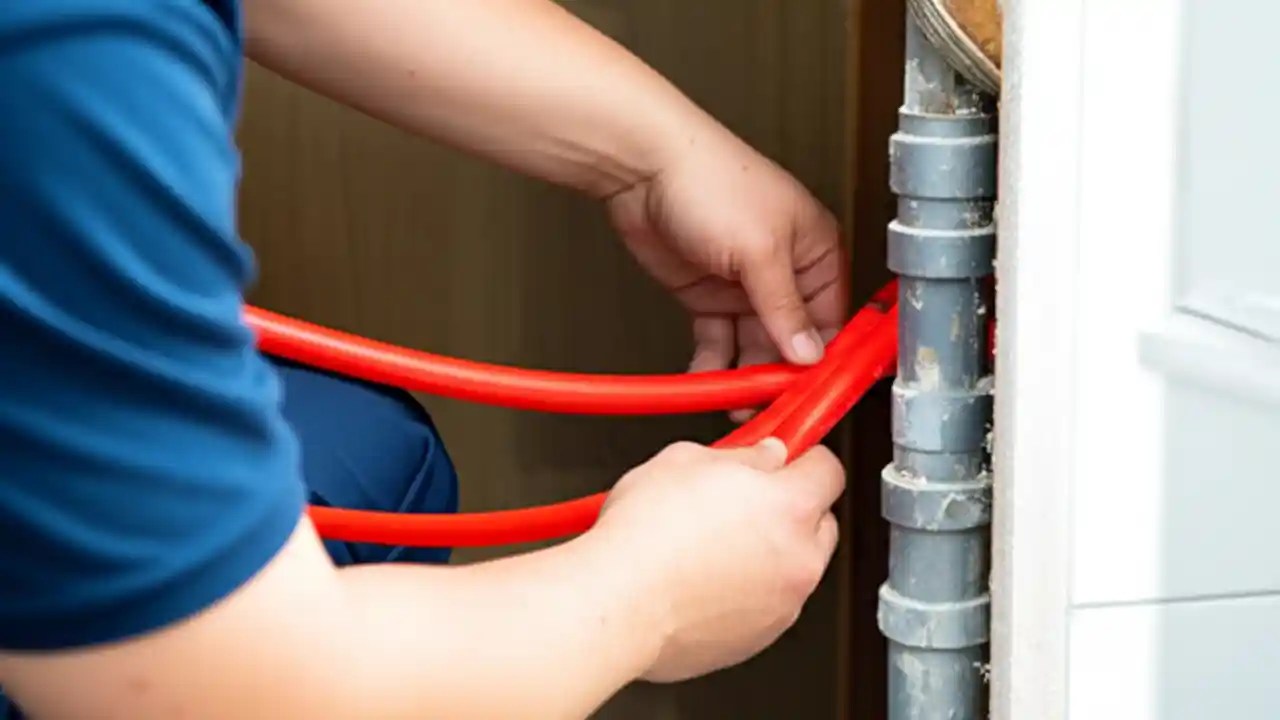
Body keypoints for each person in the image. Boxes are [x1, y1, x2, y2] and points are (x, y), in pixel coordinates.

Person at [0, 1, 851, 717]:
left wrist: (653, 149)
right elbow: (206, 695)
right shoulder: (57, 70)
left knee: (361, 447)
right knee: (354, 476)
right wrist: (639, 602)